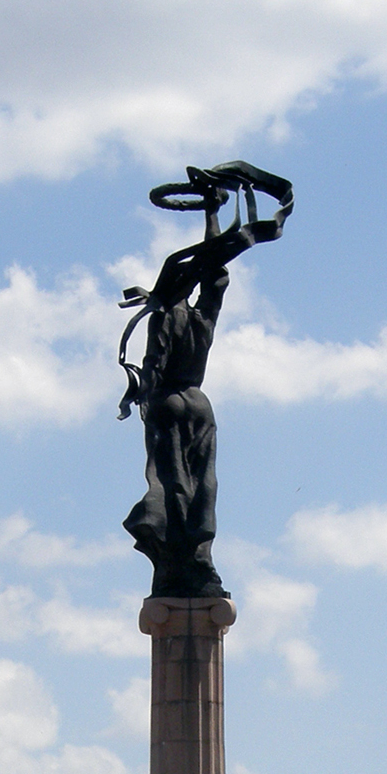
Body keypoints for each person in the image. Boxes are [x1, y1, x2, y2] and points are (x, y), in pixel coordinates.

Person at [119, 163, 293, 598]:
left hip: (168, 400)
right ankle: (200, 562)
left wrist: (139, 395)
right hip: (200, 403)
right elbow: (215, 270)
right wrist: (212, 212)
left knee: (172, 480)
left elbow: (154, 361)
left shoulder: (164, 316)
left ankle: (177, 565)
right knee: (205, 484)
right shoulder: (203, 318)